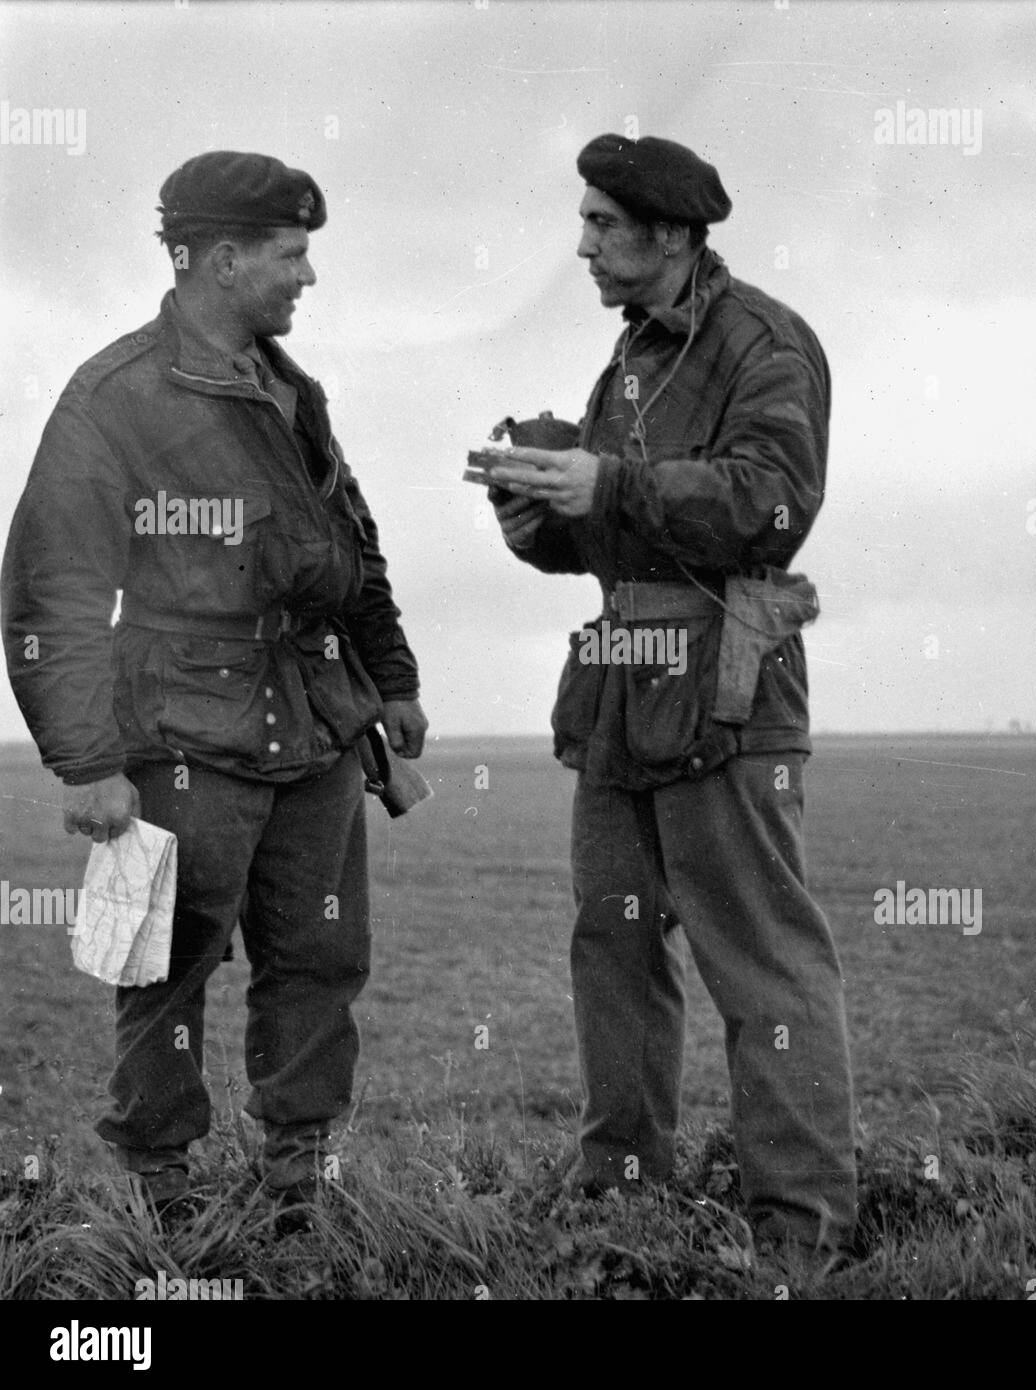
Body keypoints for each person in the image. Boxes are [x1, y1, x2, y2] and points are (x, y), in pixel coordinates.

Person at [1, 151, 427, 1214]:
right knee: (164, 967)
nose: (307, 278)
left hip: (319, 722)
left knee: (321, 960)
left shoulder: (294, 389)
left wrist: (394, 677)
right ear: (224, 259)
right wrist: (89, 761)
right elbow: (53, 589)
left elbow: (350, 547)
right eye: (291, 256)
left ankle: (300, 1187)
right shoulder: (115, 396)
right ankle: (165, 1195)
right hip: (183, 732)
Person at [487, 133, 857, 1259]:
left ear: (675, 233)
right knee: (614, 944)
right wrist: (540, 516)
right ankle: (622, 1191)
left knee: (761, 958)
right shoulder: (633, 356)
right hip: (618, 693)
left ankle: (802, 1229)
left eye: (605, 224)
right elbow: (622, 533)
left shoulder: (763, 342)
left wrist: (614, 481)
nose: (585, 243)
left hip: (726, 697)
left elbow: (774, 504)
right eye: (585, 220)